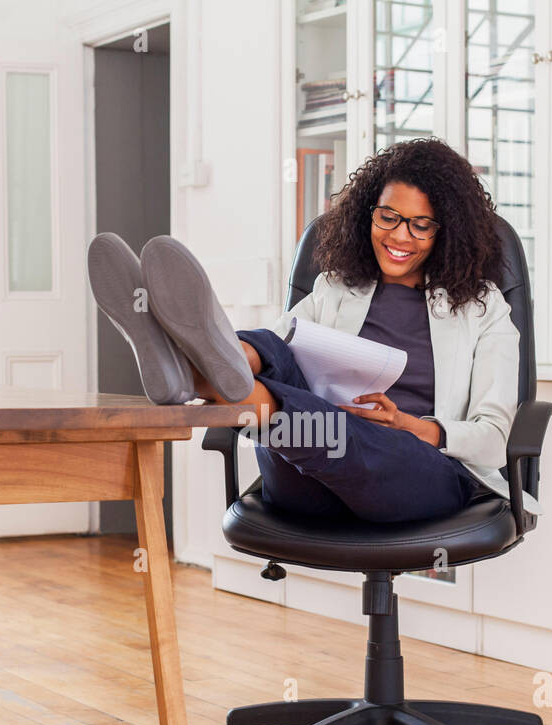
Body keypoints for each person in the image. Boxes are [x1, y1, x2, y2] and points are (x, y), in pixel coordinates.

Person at [87, 137, 519, 524]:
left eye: (420, 225)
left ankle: (185, 368)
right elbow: (271, 364)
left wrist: (409, 425)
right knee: (273, 352)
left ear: (446, 233)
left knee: (322, 427)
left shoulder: (482, 309)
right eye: (388, 216)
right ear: (369, 213)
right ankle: (201, 357)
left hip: (415, 476)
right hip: (305, 474)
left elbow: (494, 439)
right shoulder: (335, 288)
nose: (399, 235)